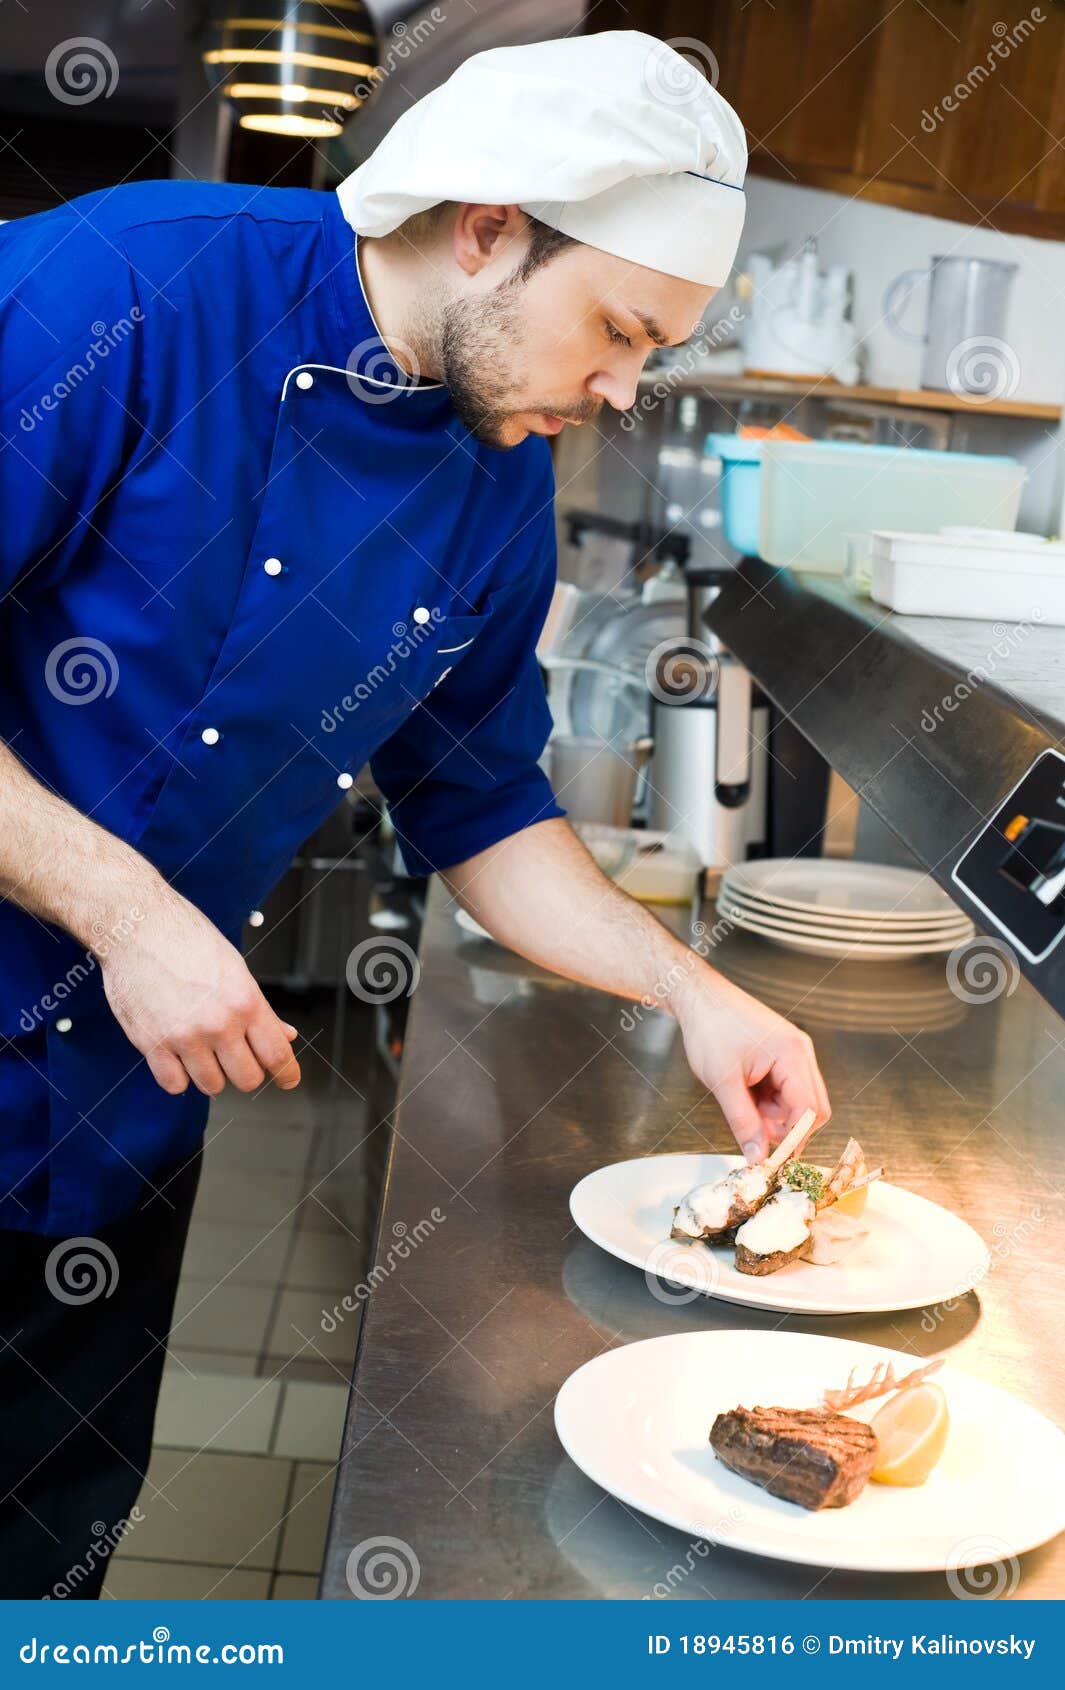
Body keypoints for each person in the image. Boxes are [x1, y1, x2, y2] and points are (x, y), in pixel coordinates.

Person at [0, 31, 829, 1595]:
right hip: (88, 987)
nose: (622, 388)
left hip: (113, 1118)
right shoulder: (122, 290)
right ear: (488, 228)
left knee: (50, 1554)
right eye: (619, 329)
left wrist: (695, 991)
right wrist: (125, 912)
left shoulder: (494, 465)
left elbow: (482, 798)